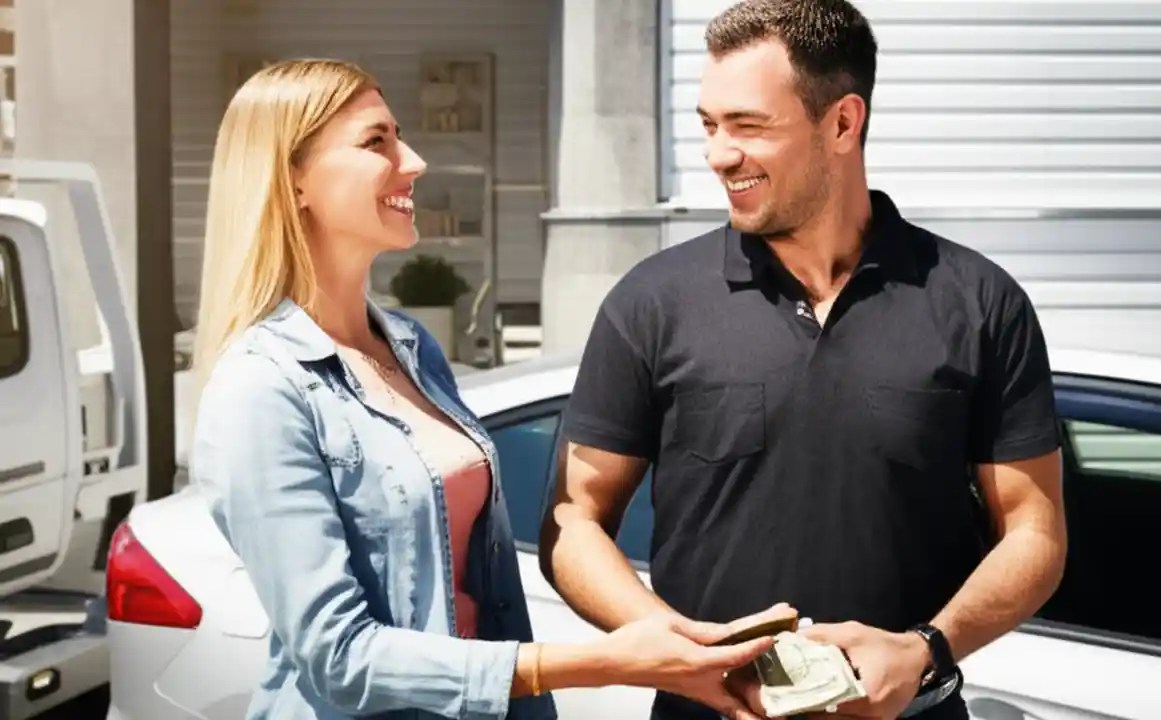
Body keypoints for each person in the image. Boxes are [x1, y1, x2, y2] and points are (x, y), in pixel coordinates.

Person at [189, 58, 785, 720]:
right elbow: (338, 660)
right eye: (376, 141)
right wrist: (609, 662)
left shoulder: (411, 347)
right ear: (293, 178)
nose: (411, 161)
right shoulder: (261, 389)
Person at [539, 1, 1069, 719]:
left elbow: (1034, 532)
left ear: (843, 123)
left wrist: (926, 650)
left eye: (749, 126)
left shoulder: (978, 303)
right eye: (709, 124)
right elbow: (575, 522)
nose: (718, 154)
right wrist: (661, 635)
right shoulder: (652, 304)